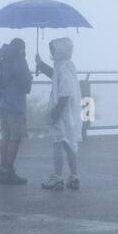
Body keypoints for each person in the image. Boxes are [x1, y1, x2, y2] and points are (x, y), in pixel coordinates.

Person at [35, 38, 82, 190]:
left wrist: (55, 113)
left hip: (62, 111)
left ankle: (57, 177)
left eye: (53, 49)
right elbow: (55, 76)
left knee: (58, 142)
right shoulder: (66, 65)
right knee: (69, 143)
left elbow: (65, 92)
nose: (52, 52)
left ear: (59, 51)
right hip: (68, 111)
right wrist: (41, 65)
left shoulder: (62, 67)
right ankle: (74, 176)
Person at [0, 38, 33, 184]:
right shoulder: (19, 61)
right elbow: (27, 86)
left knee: (6, 137)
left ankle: (2, 169)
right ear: (21, 48)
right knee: (15, 139)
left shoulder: (4, 59)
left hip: (2, 104)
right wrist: (29, 76)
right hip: (15, 105)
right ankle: (8, 171)